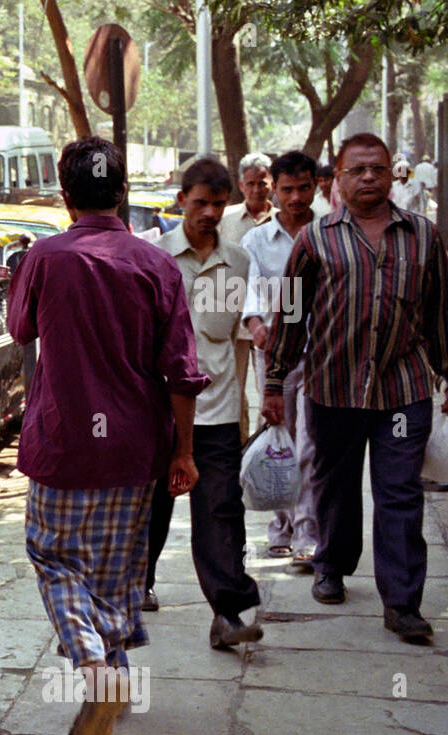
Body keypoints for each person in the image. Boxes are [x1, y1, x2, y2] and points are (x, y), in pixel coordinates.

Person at [9, 137, 206, 735]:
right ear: (123, 193)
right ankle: (115, 679)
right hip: (133, 444)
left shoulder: (46, 258)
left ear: (64, 197)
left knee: (55, 559)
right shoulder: (156, 264)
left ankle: (95, 672)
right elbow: (181, 369)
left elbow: (20, 328)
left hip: (65, 439)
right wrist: (183, 452)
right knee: (116, 572)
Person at [264, 132, 448, 645]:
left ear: (393, 175)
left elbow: (440, 313)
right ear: (339, 179)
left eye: (378, 168)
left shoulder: (424, 236)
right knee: (337, 486)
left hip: (403, 387)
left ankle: (403, 603)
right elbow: (291, 316)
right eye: (357, 169)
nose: (369, 176)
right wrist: (276, 381)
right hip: (333, 386)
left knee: (399, 493)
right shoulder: (316, 240)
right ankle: (332, 564)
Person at [144, 157, 262, 649]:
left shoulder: (238, 261)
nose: (210, 213)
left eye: (218, 204)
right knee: (149, 508)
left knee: (220, 509)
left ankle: (229, 613)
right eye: (200, 203)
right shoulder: (151, 256)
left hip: (214, 412)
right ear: (181, 201)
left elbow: (239, 340)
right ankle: (136, 584)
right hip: (155, 412)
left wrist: (247, 407)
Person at [241, 150, 321, 572]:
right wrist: (257, 326)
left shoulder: (328, 232)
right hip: (274, 357)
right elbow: (250, 292)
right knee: (279, 442)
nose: (295, 197)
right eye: (286, 189)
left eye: (303, 188)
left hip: (322, 354)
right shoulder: (256, 239)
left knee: (309, 444)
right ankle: (281, 528)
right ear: (275, 188)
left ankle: (308, 534)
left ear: (316, 186)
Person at [220, 152, 273, 441]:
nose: (256, 189)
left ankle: (265, 445)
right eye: (251, 183)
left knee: (272, 387)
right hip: (233, 315)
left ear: (272, 184)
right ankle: (238, 448)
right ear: (241, 185)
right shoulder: (226, 220)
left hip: (275, 316)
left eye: (262, 183)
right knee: (233, 387)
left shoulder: (284, 220)